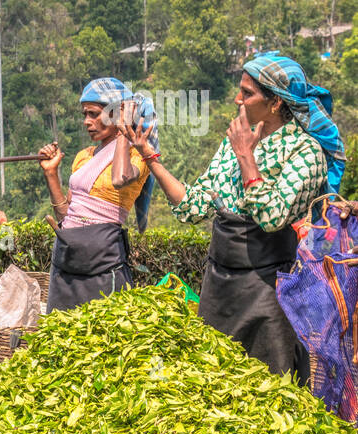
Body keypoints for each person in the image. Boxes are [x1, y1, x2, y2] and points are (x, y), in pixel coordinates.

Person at [120, 52, 338, 383]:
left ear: (276, 102)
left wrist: (246, 155)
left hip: (267, 290)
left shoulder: (305, 152)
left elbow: (272, 218)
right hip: (219, 286)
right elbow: (194, 206)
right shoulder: (233, 141)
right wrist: (150, 156)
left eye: (247, 93)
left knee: (269, 387)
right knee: (216, 385)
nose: (237, 99)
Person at [37, 78, 155, 313]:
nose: (86, 122)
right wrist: (51, 174)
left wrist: (125, 131)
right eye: (85, 114)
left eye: (94, 114)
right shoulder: (84, 157)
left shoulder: (139, 156)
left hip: (102, 265)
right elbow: (65, 215)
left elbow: (120, 178)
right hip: (67, 262)